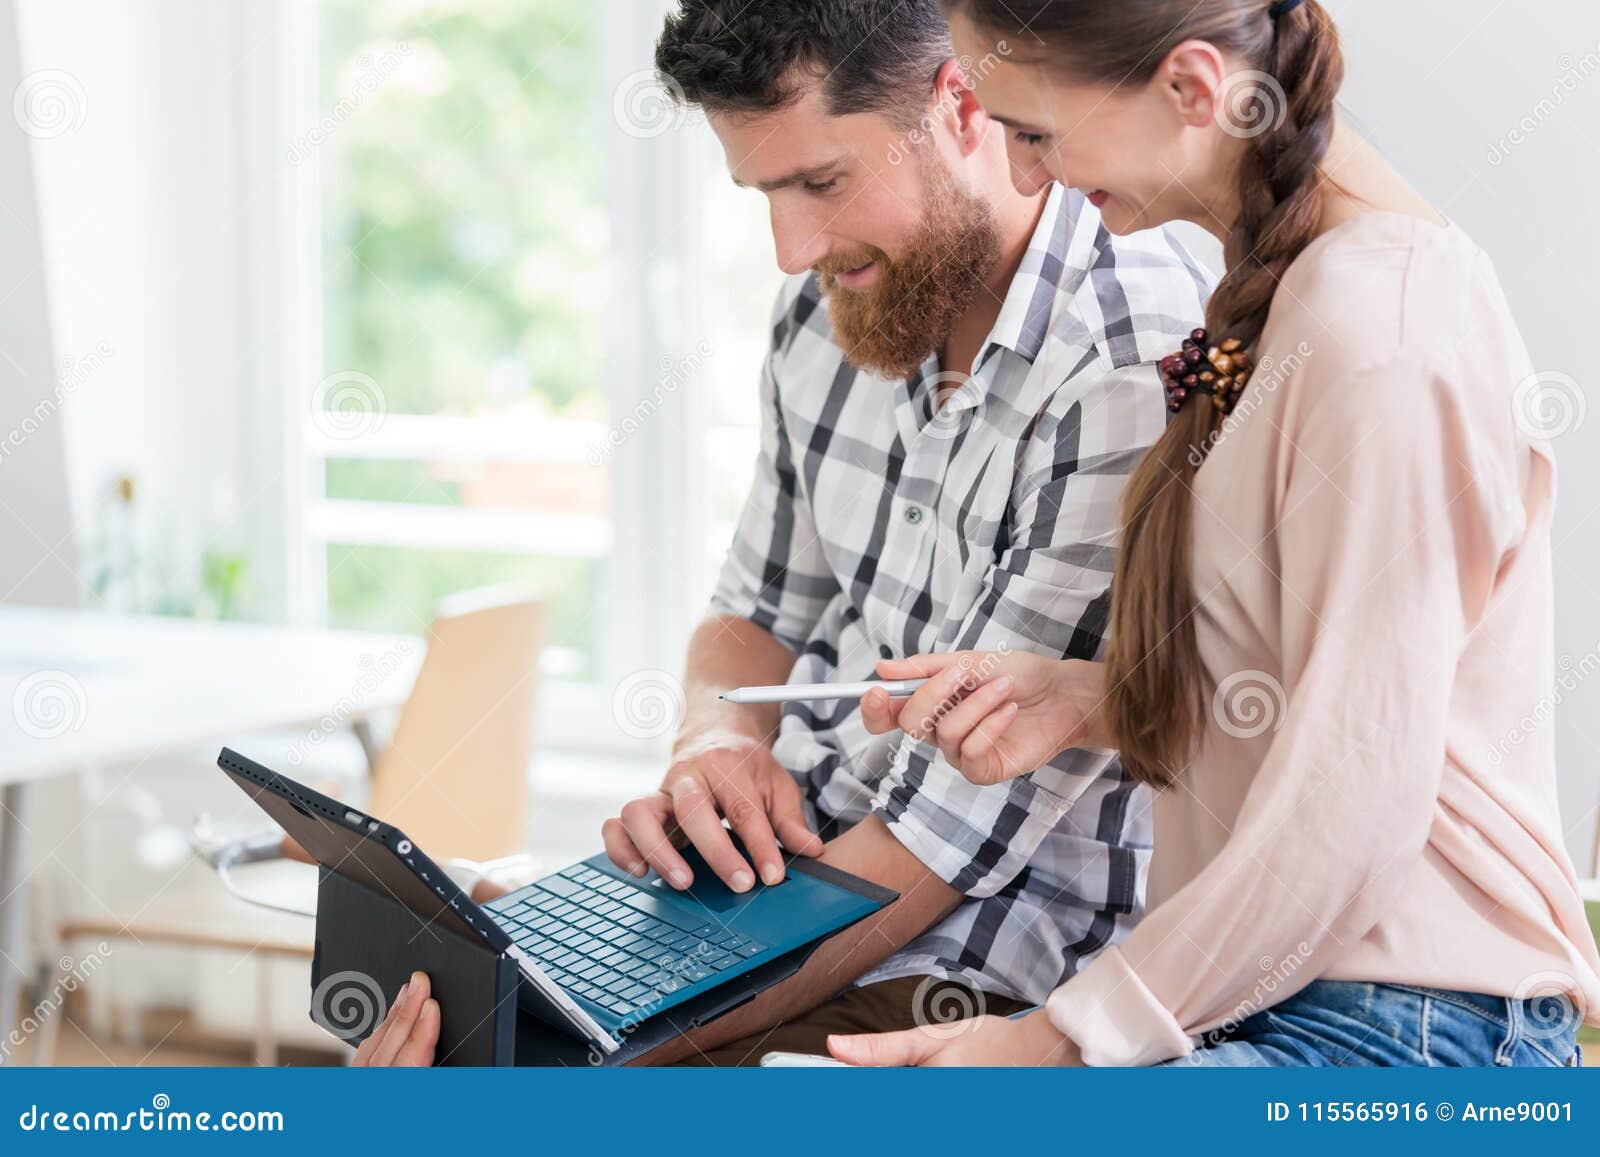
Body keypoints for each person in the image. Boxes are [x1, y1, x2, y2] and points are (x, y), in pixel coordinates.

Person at [352, 0, 1212, 1066]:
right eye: (765, 193)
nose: (790, 248)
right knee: (415, 977)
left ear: (960, 104)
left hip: (963, 958)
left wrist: (590, 1039)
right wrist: (714, 742)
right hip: (784, 885)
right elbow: (748, 617)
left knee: (489, 1058)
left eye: (821, 182)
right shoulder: (832, 303)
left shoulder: (1124, 363)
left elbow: (931, 854)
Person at [829, 0, 1600, 1068]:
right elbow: (1308, 698)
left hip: (1415, 1030)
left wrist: (1053, 1039)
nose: (1020, 172)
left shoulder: (1383, 334)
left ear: (1194, 90)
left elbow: (1351, 812)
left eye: (1034, 129)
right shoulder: (1296, 295)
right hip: (1285, 997)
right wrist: (1084, 698)